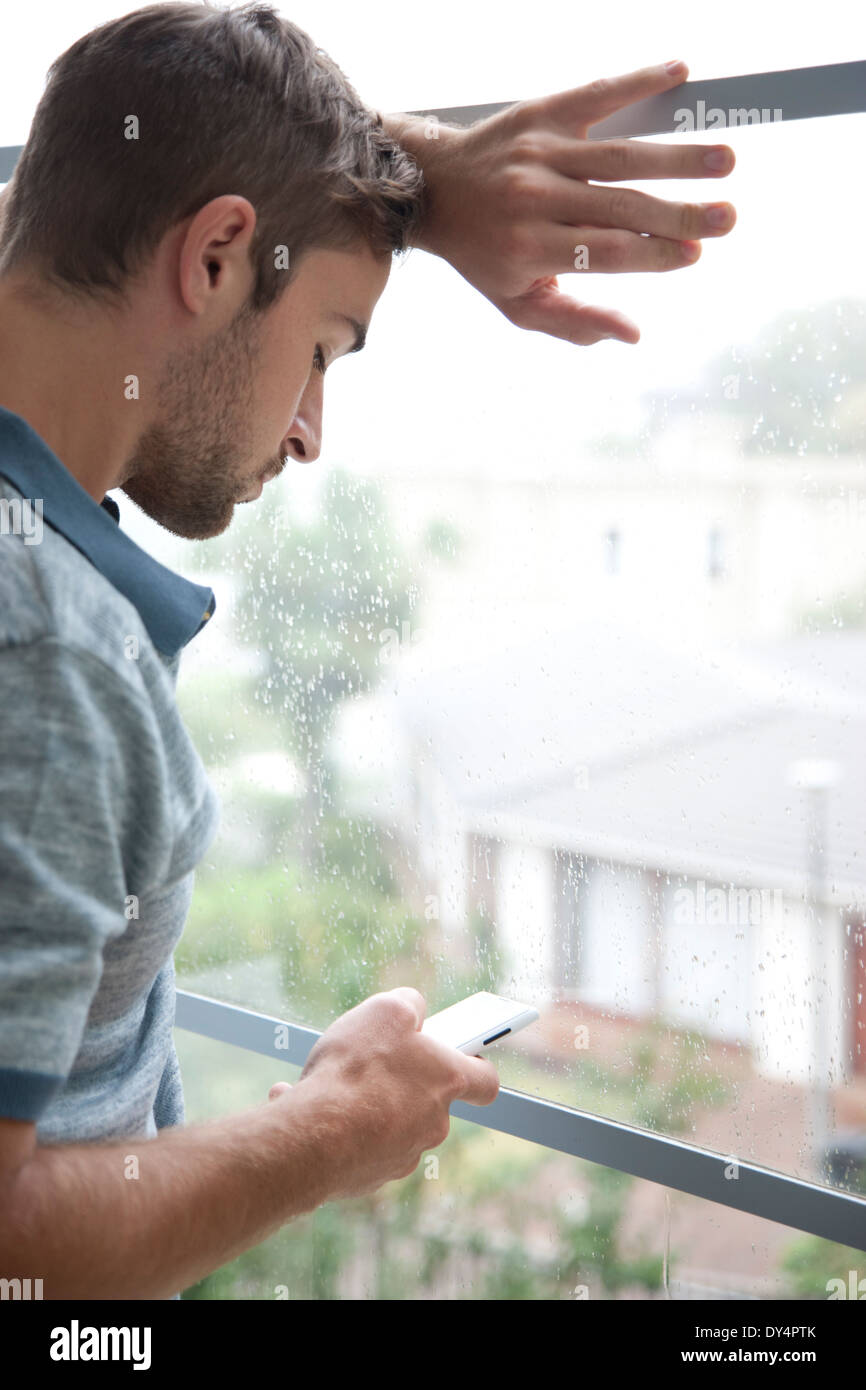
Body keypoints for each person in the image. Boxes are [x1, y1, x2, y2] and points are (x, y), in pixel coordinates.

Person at [0, 2, 735, 1300]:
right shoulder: (47, 648)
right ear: (218, 253)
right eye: (326, 349)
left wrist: (379, 179)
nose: (309, 434)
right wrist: (337, 1123)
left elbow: (132, 126)